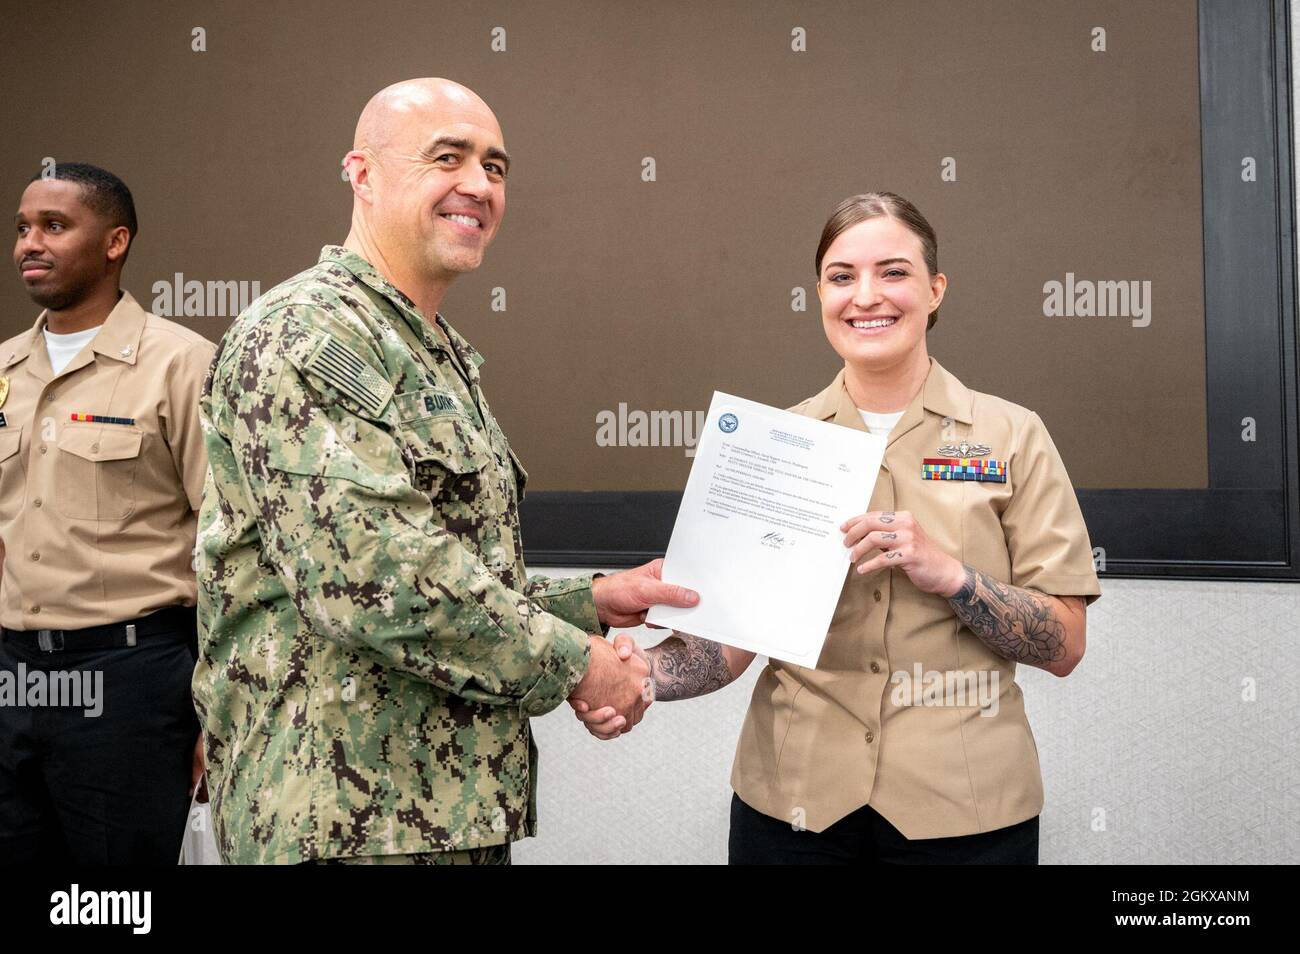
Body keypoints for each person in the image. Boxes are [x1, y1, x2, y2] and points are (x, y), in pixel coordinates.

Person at [193, 78, 698, 865]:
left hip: (436, 817)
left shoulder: (431, 349)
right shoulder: (307, 334)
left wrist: (591, 599)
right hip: (342, 824)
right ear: (362, 174)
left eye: (495, 167)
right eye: (447, 158)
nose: (479, 185)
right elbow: (372, 578)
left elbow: (449, 564)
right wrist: (579, 666)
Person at [575, 192, 1102, 865]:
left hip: (965, 813)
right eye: (842, 276)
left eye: (894, 271)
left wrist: (952, 575)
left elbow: (1065, 645)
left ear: (935, 290)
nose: (867, 296)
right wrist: (641, 676)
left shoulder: (1011, 435)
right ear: (819, 294)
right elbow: (730, 647)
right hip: (793, 811)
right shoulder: (772, 444)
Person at [0, 162, 214, 863]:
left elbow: (232, 549)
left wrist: (220, 710)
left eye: (55, 226)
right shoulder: (2, 370)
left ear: (116, 241)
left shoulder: (183, 365)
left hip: (128, 682)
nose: (30, 242)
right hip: (12, 673)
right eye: (24, 228)